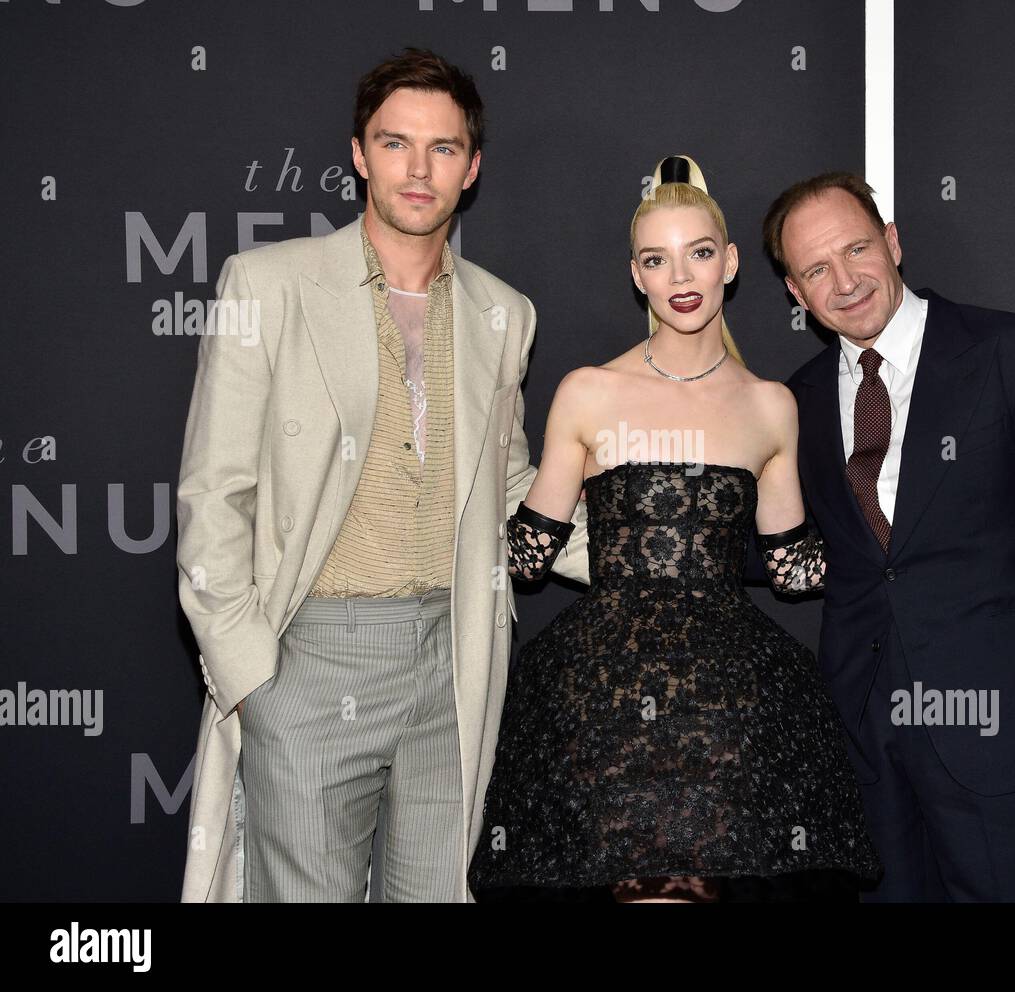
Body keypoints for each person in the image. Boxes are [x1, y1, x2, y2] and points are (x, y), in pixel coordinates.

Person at [175, 48, 589, 903]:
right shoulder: (268, 283)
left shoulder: (503, 313)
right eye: (395, 143)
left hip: (454, 659)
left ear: (471, 169)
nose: (418, 168)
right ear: (359, 154)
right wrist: (253, 678)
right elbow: (214, 493)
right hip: (310, 658)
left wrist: (661, 552)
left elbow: (511, 490)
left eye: (443, 149)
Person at [466, 155, 880, 903]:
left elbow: (792, 571)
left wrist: (888, 502)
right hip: (604, 702)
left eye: (697, 253)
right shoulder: (589, 392)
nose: (680, 276)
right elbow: (530, 557)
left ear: (728, 264)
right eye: (657, 259)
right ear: (637, 275)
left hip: (724, 708)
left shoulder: (768, 405)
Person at [759, 172, 1015, 901]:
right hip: (864, 742)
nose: (844, 281)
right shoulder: (796, 400)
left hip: (1006, 732)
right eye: (816, 269)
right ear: (794, 292)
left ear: (894, 242)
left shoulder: (1012, 353)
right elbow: (787, 546)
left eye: (857, 249)